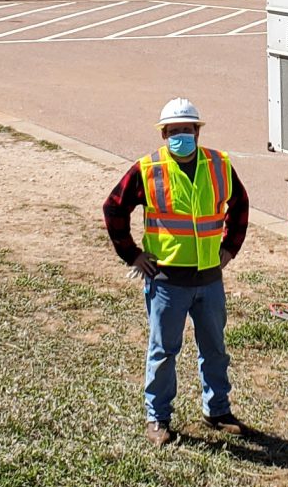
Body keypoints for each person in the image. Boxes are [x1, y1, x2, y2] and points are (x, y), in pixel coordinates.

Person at [103, 97, 250, 446]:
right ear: (163, 134)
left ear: (197, 131)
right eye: (173, 131)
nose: (180, 136)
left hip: (209, 279)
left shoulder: (219, 164)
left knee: (215, 348)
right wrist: (132, 255)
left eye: (186, 129)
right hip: (168, 282)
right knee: (164, 351)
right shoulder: (148, 169)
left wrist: (230, 247)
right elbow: (114, 208)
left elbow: (240, 204)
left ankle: (217, 410)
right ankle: (158, 418)